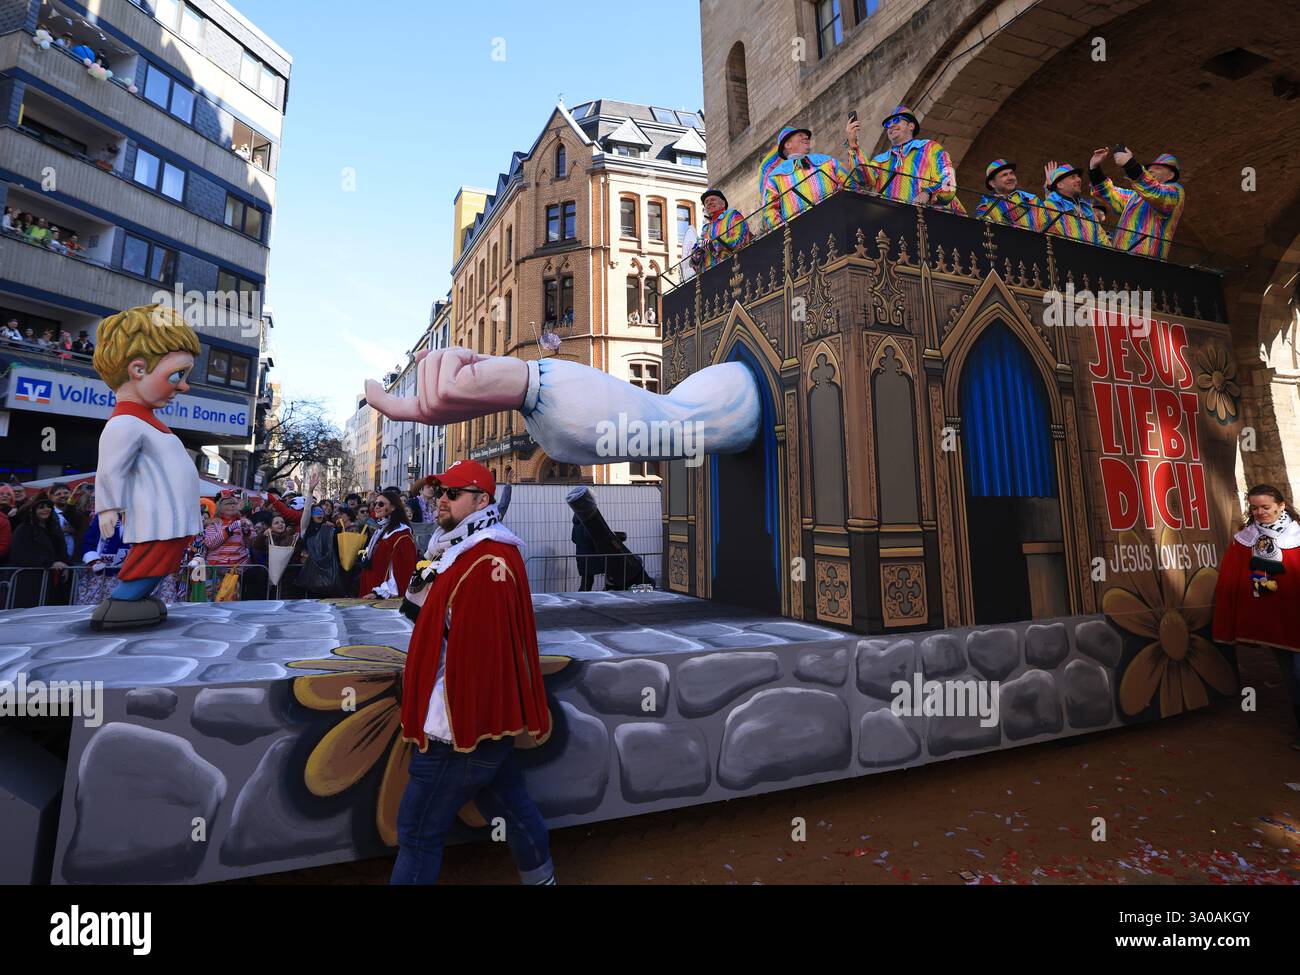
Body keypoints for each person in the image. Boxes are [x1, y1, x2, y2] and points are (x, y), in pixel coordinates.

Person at [390, 459, 554, 885]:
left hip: (460, 724)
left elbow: (482, 656)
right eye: (439, 492)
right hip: (473, 721)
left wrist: (455, 723)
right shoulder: (458, 549)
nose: (440, 500)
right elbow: (424, 616)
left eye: (452, 493)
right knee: (514, 809)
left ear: (481, 500)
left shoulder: (487, 559)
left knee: (417, 830)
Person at [90, 303, 203, 628]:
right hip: (158, 516)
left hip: (170, 516)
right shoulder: (125, 423)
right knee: (154, 555)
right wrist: (108, 507)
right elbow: (111, 467)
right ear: (138, 369)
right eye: (176, 375)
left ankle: (136, 598)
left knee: (166, 552)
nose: (183, 386)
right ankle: (124, 600)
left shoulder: (145, 422)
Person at [1212, 484, 1300, 749]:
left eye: (1266, 507)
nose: (1260, 512)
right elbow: (1240, 581)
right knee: (1293, 678)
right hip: (1278, 624)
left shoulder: (1297, 534)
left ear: (1281, 506)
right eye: (1254, 507)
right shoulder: (1246, 540)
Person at [850, 106, 965, 214]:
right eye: (888, 124)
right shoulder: (880, 160)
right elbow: (863, 179)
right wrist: (854, 145)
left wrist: (927, 193)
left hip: (930, 217)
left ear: (911, 126)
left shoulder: (930, 148)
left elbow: (947, 178)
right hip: (894, 219)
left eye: (896, 121)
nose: (891, 126)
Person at [758, 125, 861, 231]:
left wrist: (847, 211)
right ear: (788, 144)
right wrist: (785, 232)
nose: (806, 137)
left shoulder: (828, 161)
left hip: (837, 223)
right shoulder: (775, 177)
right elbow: (769, 210)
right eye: (800, 135)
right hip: (801, 234)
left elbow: (850, 184)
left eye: (806, 135)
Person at [1089, 147, 1184, 260]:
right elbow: (1109, 193)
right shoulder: (1135, 197)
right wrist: (1095, 169)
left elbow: (1156, 193)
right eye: (1149, 169)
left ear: (1170, 175)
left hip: (1147, 263)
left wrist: (1130, 165)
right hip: (1120, 260)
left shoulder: (1175, 193)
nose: (1151, 171)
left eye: (1157, 168)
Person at [7, 494, 70, 607]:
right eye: (41, 507)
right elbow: (20, 554)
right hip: (30, 581)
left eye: (48, 506)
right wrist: (50, 563)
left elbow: (61, 549)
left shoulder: (54, 527)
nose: (45, 510)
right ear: (33, 510)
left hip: (54, 582)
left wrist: (66, 565)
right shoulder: (23, 529)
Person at [357, 488, 416, 600]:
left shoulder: (402, 536)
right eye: (375, 504)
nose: (376, 507)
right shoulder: (381, 531)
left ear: (393, 507)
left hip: (384, 599)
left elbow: (403, 574)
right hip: (370, 590)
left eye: (381, 504)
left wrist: (380, 593)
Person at [1041, 162, 1111, 246]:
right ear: (1060, 184)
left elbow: (1102, 239)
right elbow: (1047, 239)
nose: (1079, 179)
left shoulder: (1087, 209)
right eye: (1073, 177)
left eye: (1078, 176)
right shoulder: (1049, 207)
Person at [692, 188, 751, 272]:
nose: (709, 203)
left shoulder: (732, 215)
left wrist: (713, 245)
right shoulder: (705, 228)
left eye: (713, 199)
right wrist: (696, 255)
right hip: (710, 275)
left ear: (723, 204)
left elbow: (740, 240)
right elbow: (697, 266)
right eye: (706, 202)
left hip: (731, 267)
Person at [976, 159, 1045, 231]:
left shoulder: (1032, 199)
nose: (1010, 177)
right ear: (993, 183)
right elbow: (986, 231)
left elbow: (1046, 224)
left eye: (1011, 173)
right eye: (1004, 175)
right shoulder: (986, 207)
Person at [48, 481, 85, 562]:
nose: (63, 496)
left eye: (66, 493)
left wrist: (75, 531)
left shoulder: (79, 513)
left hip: (76, 560)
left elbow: (83, 531)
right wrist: (60, 531)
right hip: (55, 561)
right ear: (51, 497)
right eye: (58, 494)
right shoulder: (47, 514)